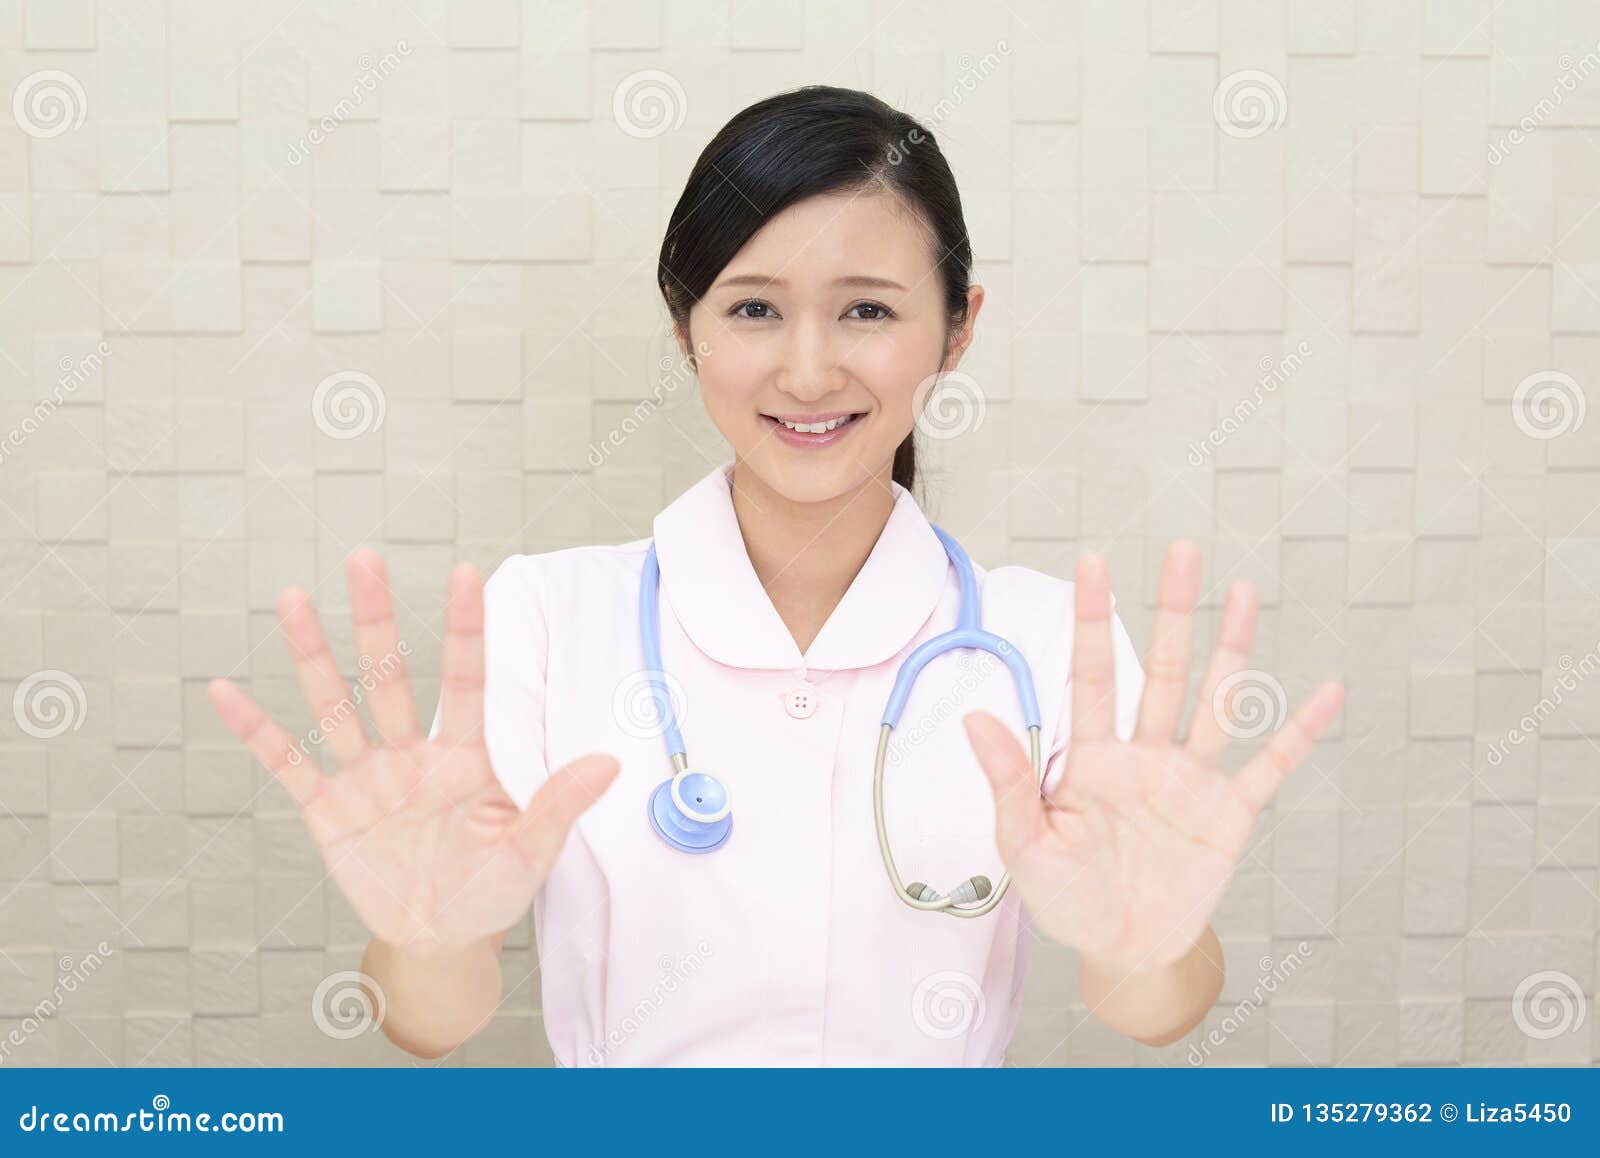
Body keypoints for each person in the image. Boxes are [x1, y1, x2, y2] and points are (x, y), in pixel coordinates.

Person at [206, 85, 1344, 1066]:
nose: (808, 371)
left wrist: (1145, 945)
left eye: (867, 309)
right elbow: (430, 1023)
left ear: (956, 330)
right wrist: (426, 937)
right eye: (753, 308)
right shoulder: (551, 619)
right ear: (684, 328)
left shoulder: (1048, 644)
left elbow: (1154, 1010)